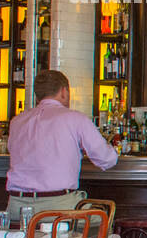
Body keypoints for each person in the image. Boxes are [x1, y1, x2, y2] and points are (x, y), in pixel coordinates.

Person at [6, 70, 118, 220]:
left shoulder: (17, 121)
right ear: (64, 92)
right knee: (101, 220)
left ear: (37, 96)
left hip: (17, 209)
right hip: (58, 208)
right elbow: (106, 159)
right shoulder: (75, 119)